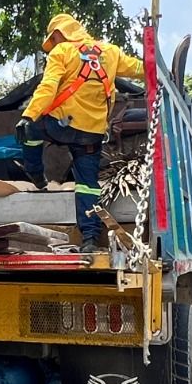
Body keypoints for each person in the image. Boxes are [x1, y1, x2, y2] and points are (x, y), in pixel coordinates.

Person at [15, 13, 144, 256]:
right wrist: (158, 68)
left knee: (30, 131)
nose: (52, 44)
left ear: (58, 34)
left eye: (52, 39)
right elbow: (140, 68)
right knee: (87, 185)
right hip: (91, 133)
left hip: (61, 126)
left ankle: (36, 173)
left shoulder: (62, 51)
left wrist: (28, 116)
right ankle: (90, 239)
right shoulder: (111, 52)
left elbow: (48, 87)